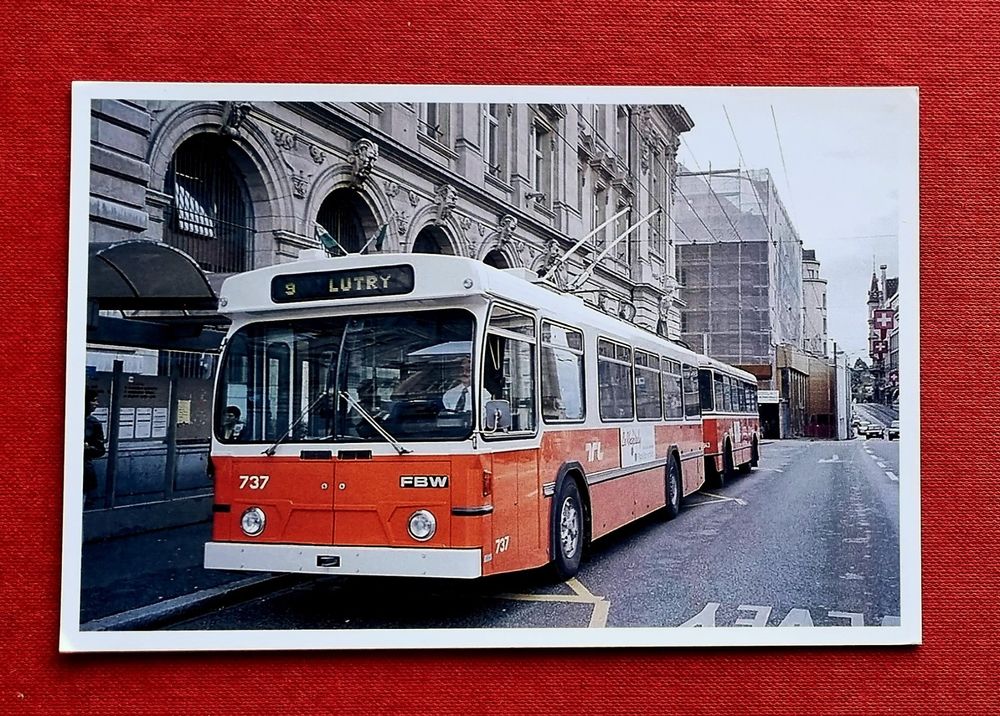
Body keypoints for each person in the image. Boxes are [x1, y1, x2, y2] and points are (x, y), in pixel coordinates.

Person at [84, 389, 105, 507]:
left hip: (85, 469)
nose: (96, 404)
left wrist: (87, 448)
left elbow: (100, 450)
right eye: (93, 401)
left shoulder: (94, 423)